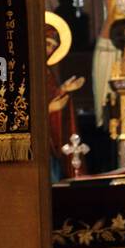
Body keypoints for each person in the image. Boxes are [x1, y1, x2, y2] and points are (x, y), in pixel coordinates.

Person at [45, 24, 85, 181]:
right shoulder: (30, 69)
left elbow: (51, 94)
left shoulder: (47, 71)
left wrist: (65, 89)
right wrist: (47, 109)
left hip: (52, 134)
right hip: (41, 134)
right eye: (47, 44)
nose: (50, 51)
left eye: (54, 47)